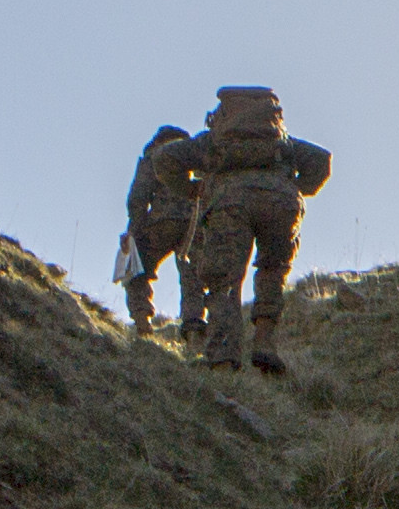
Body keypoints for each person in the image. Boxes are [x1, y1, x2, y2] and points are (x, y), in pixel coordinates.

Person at [182, 85, 326, 373]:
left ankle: (223, 356)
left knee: (225, 280)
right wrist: (297, 189)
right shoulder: (283, 143)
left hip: (229, 203)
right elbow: (321, 160)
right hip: (281, 203)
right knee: (273, 269)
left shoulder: (213, 142)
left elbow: (166, 159)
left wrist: (193, 190)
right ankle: (264, 341)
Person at [114, 117, 205, 333]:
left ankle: (142, 322)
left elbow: (138, 197)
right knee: (194, 276)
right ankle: (193, 327)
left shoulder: (154, 156)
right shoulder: (193, 156)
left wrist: (133, 232)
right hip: (195, 223)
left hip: (162, 222)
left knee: (136, 266)